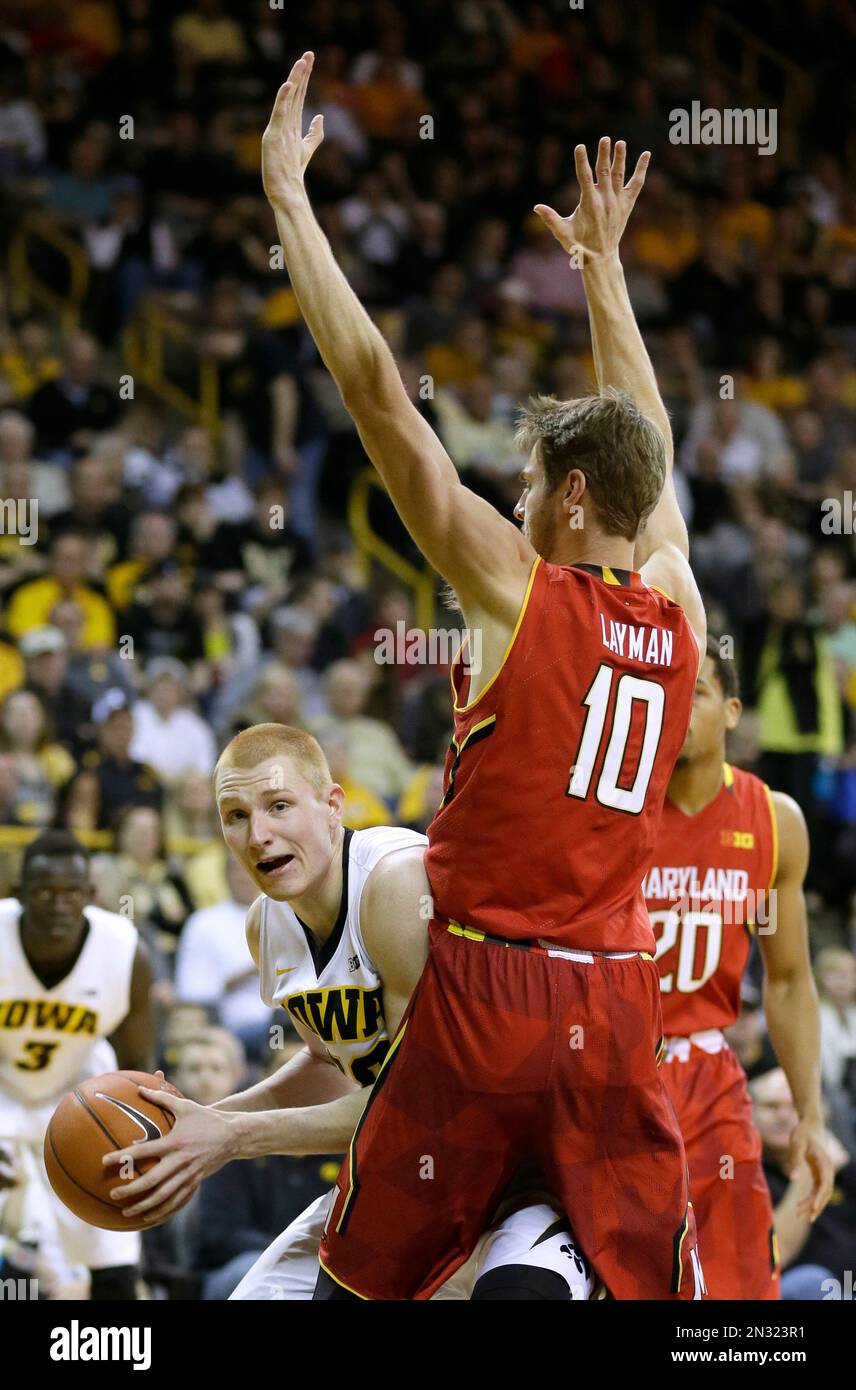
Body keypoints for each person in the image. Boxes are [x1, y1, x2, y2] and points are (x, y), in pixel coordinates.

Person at [259, 57, 706, 1301]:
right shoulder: (675, 602)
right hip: (618, 1009)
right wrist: (603, 276)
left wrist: (293, 209)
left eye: (522, 487)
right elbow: (650, 456)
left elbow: (377, 399)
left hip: (485, 995)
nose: (505, 505)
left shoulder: (519, 590)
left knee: (360, 1287)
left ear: (567, 497)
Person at [102, 724, 593, 1302]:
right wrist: (199, 1123)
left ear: (333, 804)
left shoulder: (395, 886)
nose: (258, 835)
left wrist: (233, 1136)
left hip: (529, 1174)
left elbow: (422, 1104)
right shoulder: (269, 924)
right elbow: (327, 1063)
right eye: (235, 816)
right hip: (410, 1177)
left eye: (279, 806)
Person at [643, 636, 833, 1299]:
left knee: (743, 1286)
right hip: (611, 1070)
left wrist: (810, 1114)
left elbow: (787, 980)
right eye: (663, 692)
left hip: (707, 1074)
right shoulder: (610, 813)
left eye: (693, 693)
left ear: (731, 710)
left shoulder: (775, 821)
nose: (676, 708)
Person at [0, 830, 153, 1299]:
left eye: (72, 893)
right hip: (3, 1089)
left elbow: (136, 1069)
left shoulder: (126, 953)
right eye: (45, 892)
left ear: (92, 896)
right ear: (20, 893)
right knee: (15, 1266)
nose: (59, 905)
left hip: (81, 1098)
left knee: (111, 1245)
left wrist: (137, 1146)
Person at [751, 1068, 856, 1300]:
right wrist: (811, 1170)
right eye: (772, 1106)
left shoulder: (842, 1165)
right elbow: (774, 1254)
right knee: (813, 1281)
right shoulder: (746, 1175)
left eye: (794, 1107)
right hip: (797, 1289)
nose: (784, 1116)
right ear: (749, 1113)